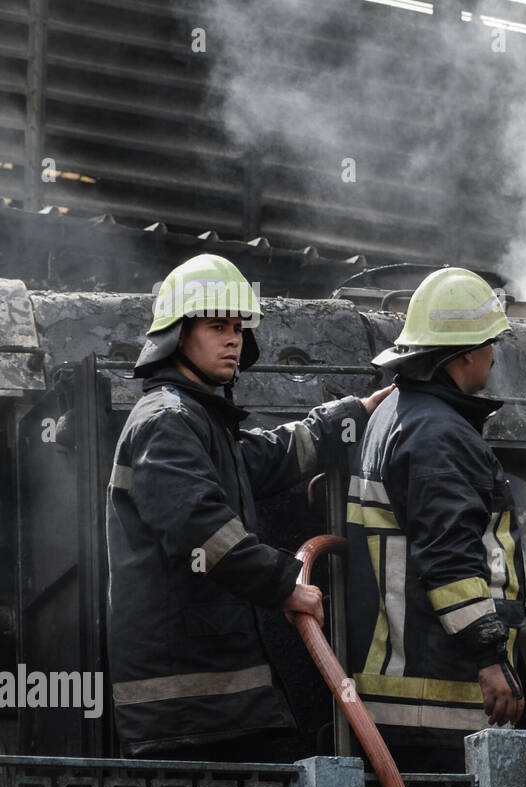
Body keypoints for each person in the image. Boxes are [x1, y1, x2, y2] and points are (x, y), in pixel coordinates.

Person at [106, 253, 393, 761]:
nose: (234, 338)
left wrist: (352, 414)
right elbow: (203, 532)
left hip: (218, 705)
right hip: (189, 709)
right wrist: (286, 582)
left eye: (238, 327)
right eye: (218, 325)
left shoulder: (197, 420)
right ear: (177, 334)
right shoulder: (166, 421)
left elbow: (266, 456)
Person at [346, 267, 526, 772]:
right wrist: (490, 659)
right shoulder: (439, 435)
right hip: (436, 694)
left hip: (401, 690)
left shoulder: (399, 415)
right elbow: (449, 559)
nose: (494, 355)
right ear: (468, 352)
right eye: (491, 343)